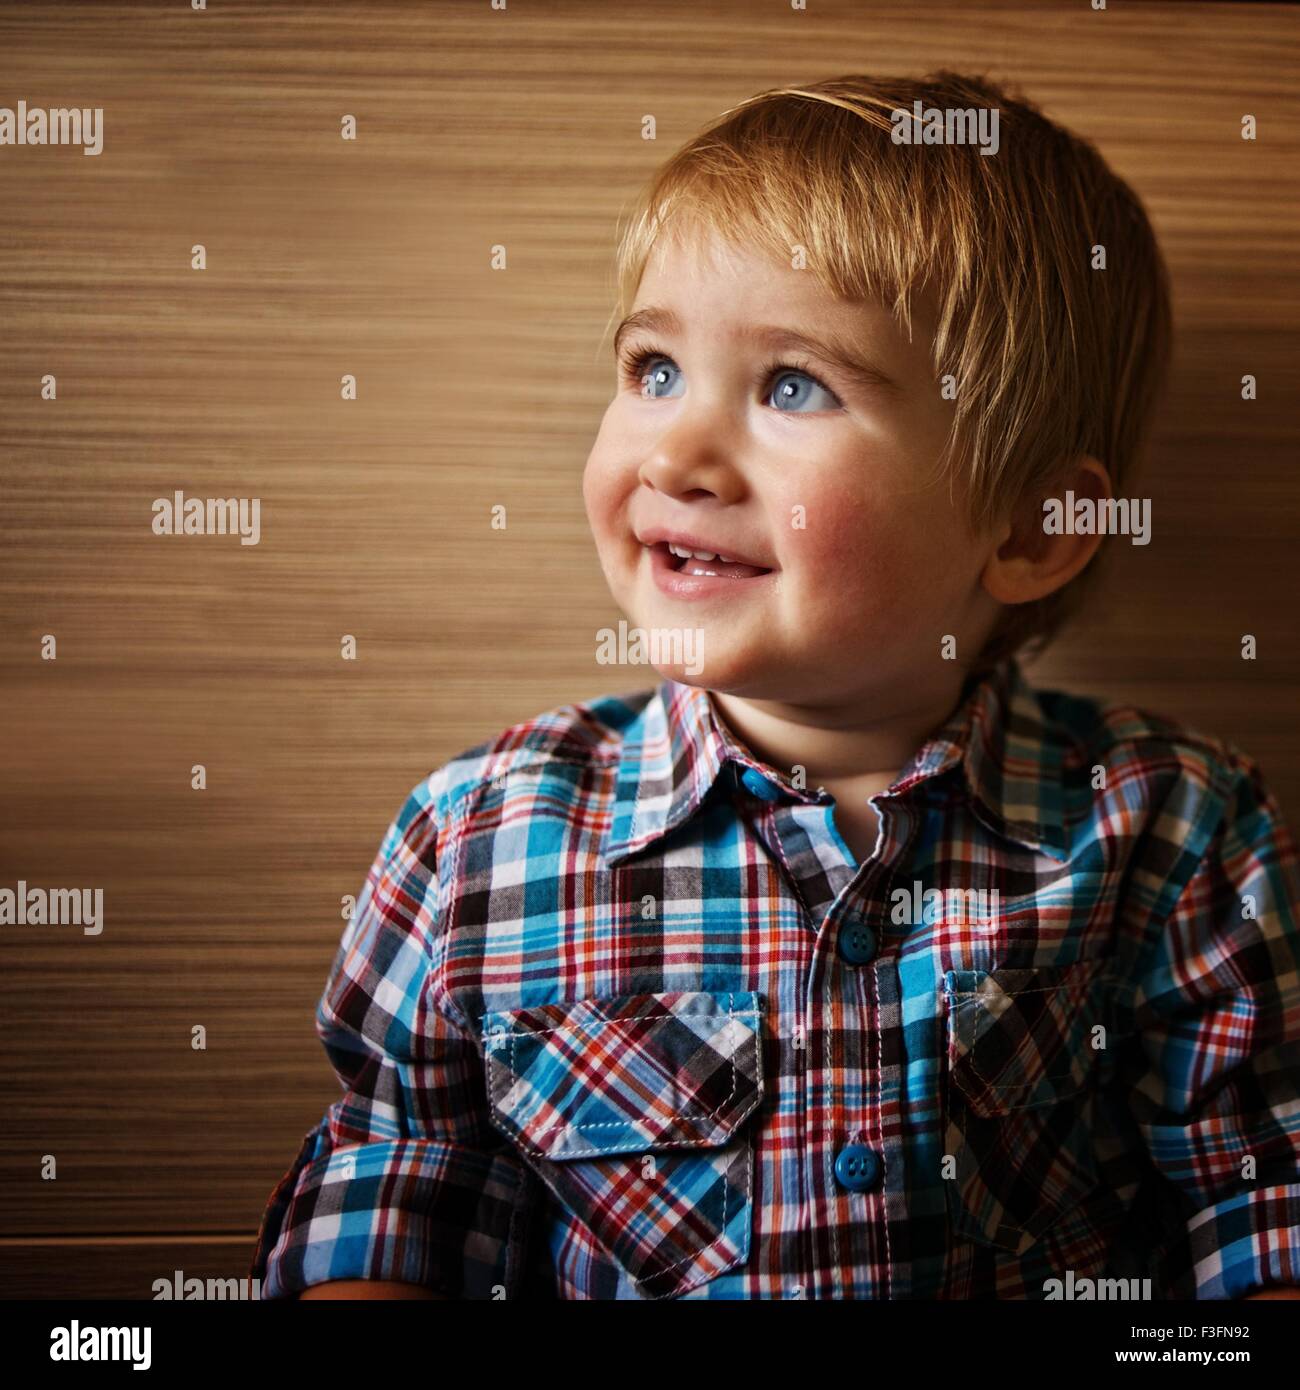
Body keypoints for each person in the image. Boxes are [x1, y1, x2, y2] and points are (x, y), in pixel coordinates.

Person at [251, 71, 1300, 1299]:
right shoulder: (476, 837)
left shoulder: (1170, 825)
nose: (678, 453)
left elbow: (1259, 1195)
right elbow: (395, 1196)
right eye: (652, 369)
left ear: (1030, 526)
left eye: (792, 384)